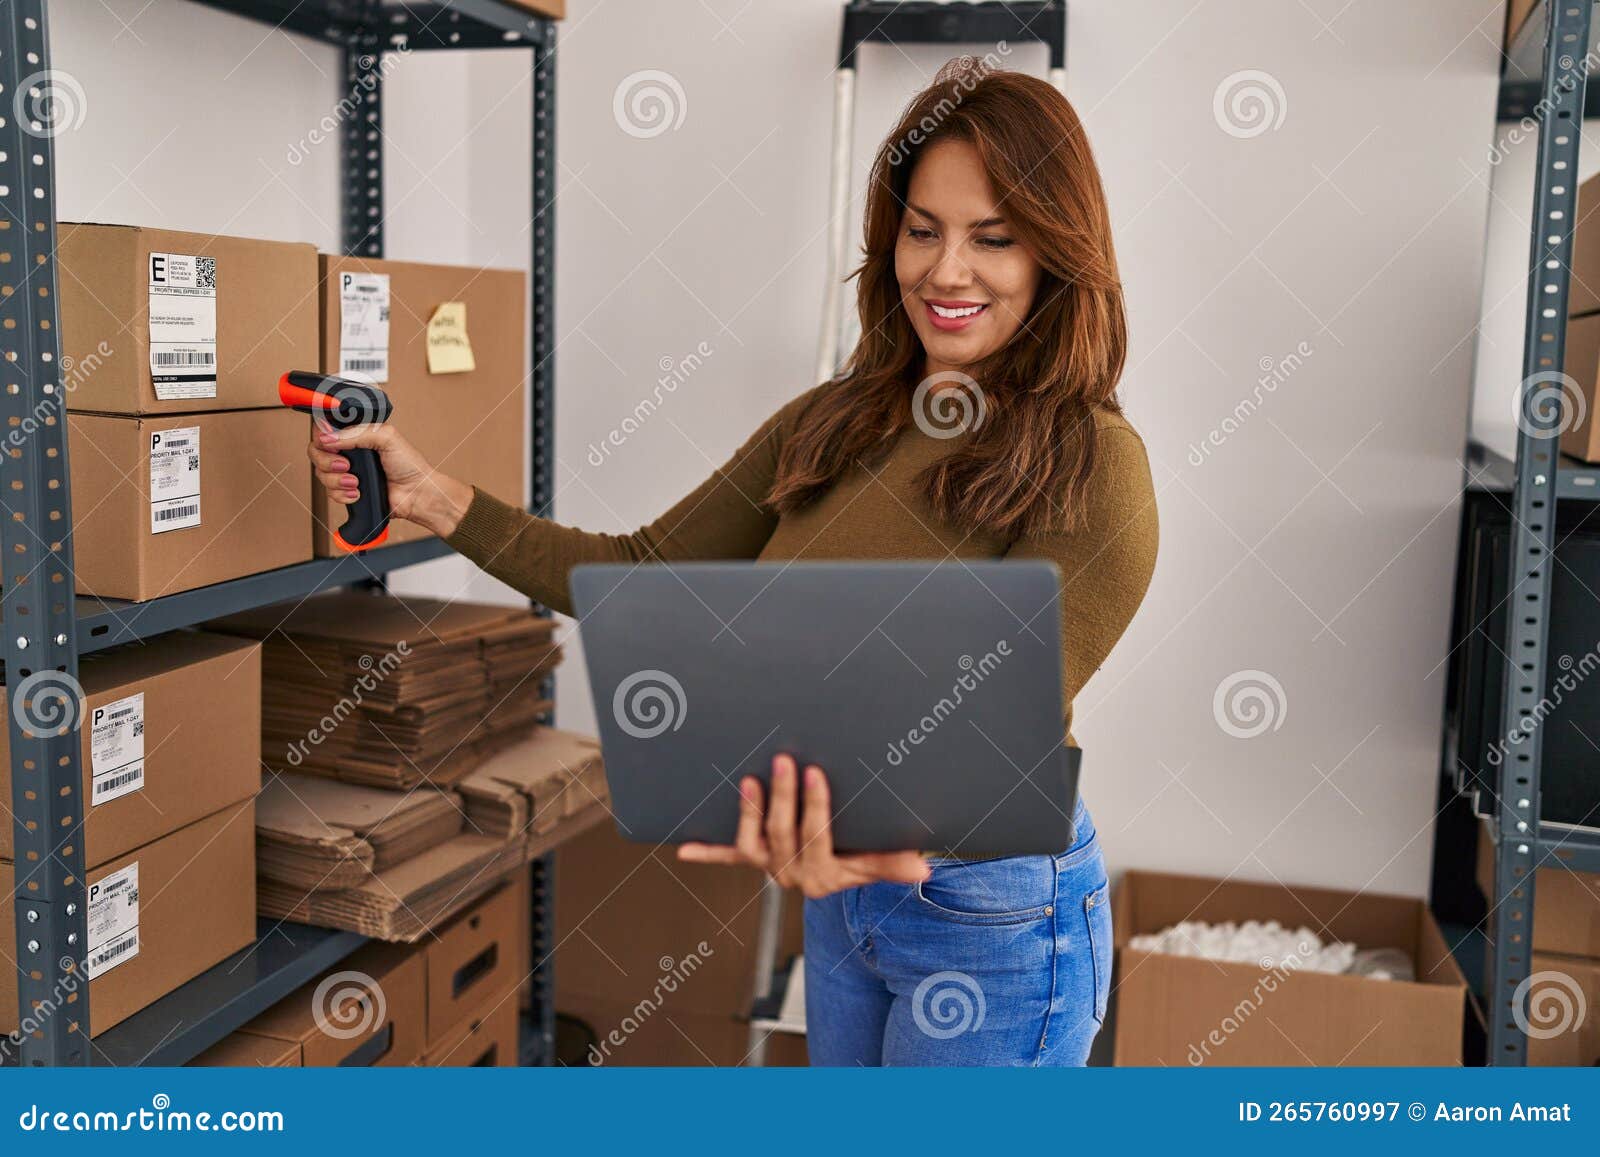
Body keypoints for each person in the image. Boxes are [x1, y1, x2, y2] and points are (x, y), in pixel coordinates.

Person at [308, 60, 1159, 1067]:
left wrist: (890, 840)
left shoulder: (1090, 465)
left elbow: (990, 738)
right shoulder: (835, 420)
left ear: (1059, 253)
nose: (944, 270)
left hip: (992, 917)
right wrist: (431, 497)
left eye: (993, 237)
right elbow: (640, 571)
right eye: (921, 229)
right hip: (845, 896)